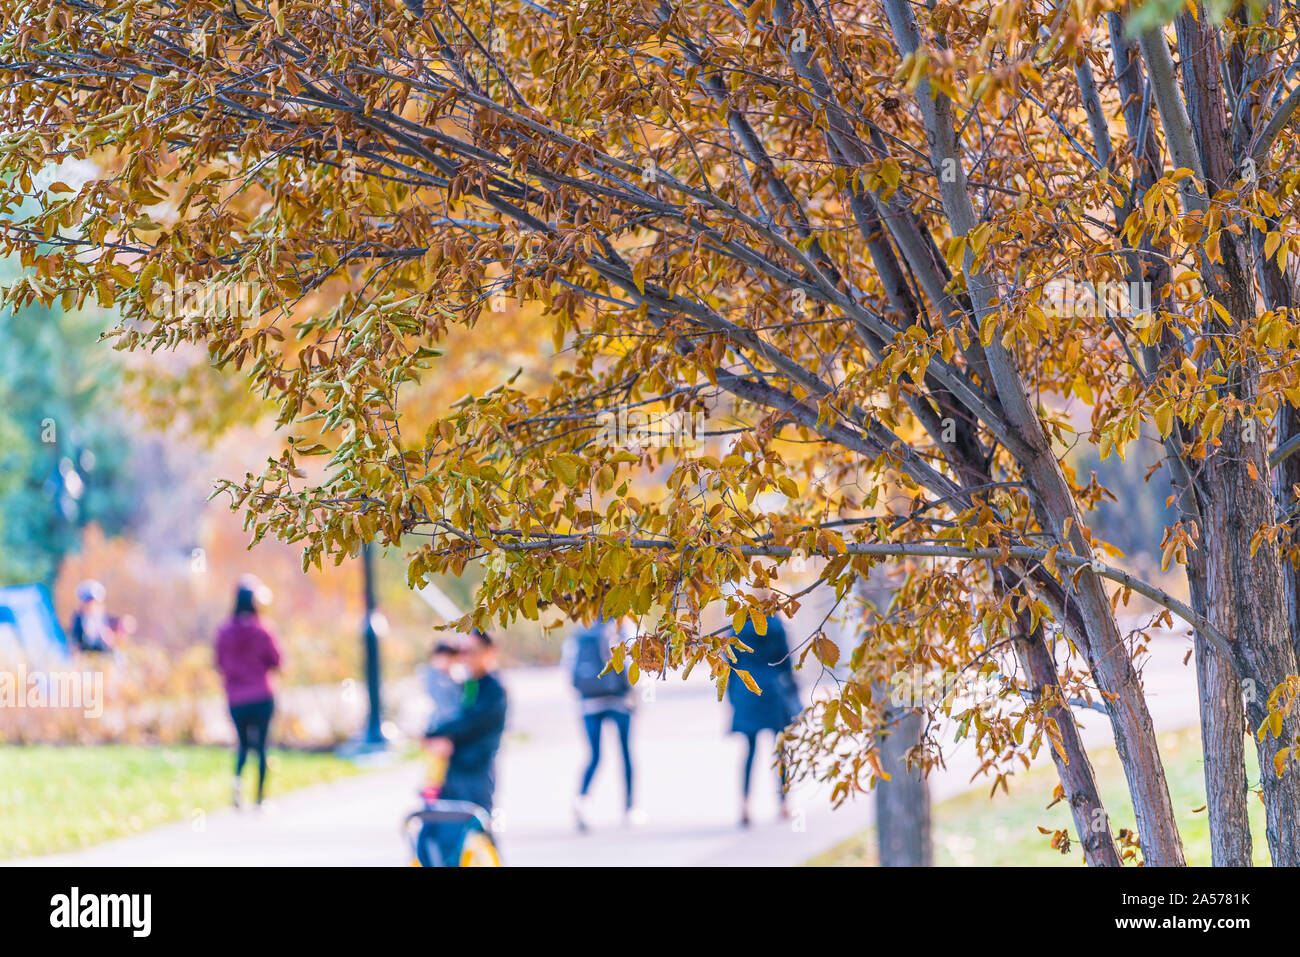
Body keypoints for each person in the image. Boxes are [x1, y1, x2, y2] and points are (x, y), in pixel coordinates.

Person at [419, 629, 508, 865]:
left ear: (490, 652)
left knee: (481, 840)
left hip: (475, 776)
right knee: (433, 841)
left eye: (472, 651)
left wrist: (434, 735)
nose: (466, 657)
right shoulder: (465, 685)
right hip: (451, 775)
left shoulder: (493, 690)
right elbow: (437, 693)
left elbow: (469, 723)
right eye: (462, 652)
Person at [726, 604, 800, 827]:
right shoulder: (776, 626)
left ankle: (745, 803)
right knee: (780, 750)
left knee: (749, 751)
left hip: (746, 692)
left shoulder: (736, 628)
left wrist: (732, 696)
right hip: (773, 692)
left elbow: (730, 664)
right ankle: (784, 803)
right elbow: (786, 663)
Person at [563, 616, 640, 830]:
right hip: (620, 698)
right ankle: (630, 807)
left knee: (594, 755)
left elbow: (568, 664)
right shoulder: (624, 624)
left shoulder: (582, 626)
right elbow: (634, 662)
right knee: (625, 753)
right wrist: (636, 694)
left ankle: (581, 800)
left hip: (588, 701)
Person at [214, 575, 281, 809]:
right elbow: (277, 660)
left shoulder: (224, 632)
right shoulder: (263, 630)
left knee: (242, 745)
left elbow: (220, 662)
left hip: (236, 698)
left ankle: (238, 789)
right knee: (262, 747)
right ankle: (260, 799)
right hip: (262, 695)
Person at [69, 580, 134, 654]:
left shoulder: (102, 618)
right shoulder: (80, 620)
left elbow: (112, 623)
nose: (93, 607)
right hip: (89, 655)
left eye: (96, 603)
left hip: (105, 653)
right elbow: (79, 641)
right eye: (90, 603)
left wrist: (121, 624)